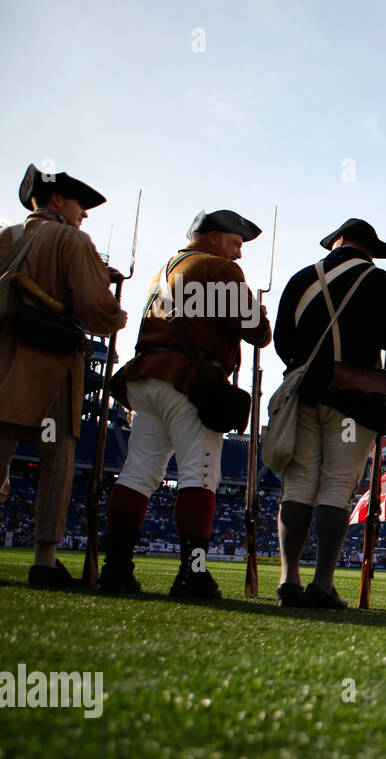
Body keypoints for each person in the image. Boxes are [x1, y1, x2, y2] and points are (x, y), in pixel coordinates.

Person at [99, 209, 271, 597]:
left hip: (148, 375)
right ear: (213, 237)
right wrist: (259, 317)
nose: (239, 254)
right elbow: (256, 332)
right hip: (189, 381)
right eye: (236, 243)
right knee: (199, 474)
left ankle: (116, 568)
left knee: (138, 472)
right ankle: (192, 574)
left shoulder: (163, 271)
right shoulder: (220, 269)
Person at [0, 164, 128, 587]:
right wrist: (114, 311)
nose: (84, 213)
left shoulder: (7, 236)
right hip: (51, 366)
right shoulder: (71, 239)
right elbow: (97, 309)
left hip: (4, 361)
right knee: (57, 458)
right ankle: (45, 558)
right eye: (79, 204)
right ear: (57, 200)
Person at [273, 218, 386, 608]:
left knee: (298, 485)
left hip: (305, 394)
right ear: (369, 249)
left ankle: (289, 579)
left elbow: (284, 343)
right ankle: (322, 582)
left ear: (337, 241)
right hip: (354, 404)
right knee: (336, 487)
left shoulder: (301, 278)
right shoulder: (381, 282)